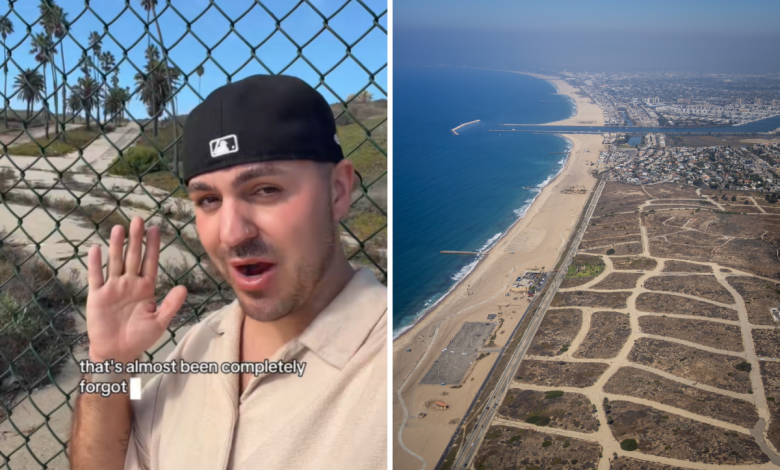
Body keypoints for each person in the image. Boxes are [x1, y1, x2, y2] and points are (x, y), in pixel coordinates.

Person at [69, 75, 387, 470]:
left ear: (338, 191)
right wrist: (109, 364)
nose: (232, 233)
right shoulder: (198, 347)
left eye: (265, 189)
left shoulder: (391, 367)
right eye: (208, 200)